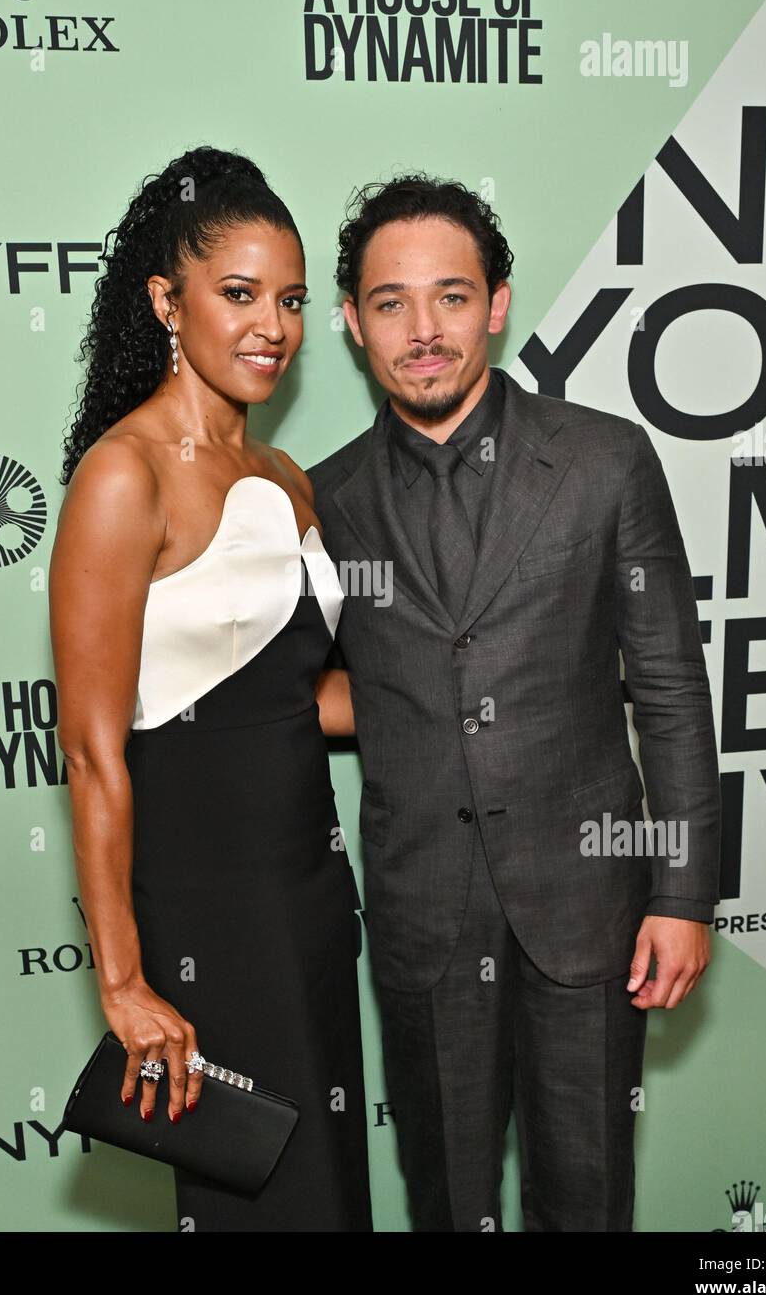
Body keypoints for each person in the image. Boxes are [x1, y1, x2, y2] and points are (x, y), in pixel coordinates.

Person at [307, 173, 721, 1232]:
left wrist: (682, 895)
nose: (423, 329)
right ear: (352, 323)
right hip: (423, 915)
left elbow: (670, 686)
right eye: (390, 302)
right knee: (445, 1201)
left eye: (450, 295)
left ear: (496, 302)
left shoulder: (604, 460)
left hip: (590, 904)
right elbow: (302, 692)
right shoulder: (324, 499)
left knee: (585, 1200)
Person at [48, 146, 372, 1232]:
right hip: (207, 915)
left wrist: (495, 690)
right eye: (236, 294)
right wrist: (126, 982)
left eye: (286, 300)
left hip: (313, 899)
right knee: (260, 1201)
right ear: (164, 300)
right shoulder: (123, 474)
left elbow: (295, 699)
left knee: (324, 1187)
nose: (270, 326)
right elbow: (92, 749)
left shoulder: (286, 478)